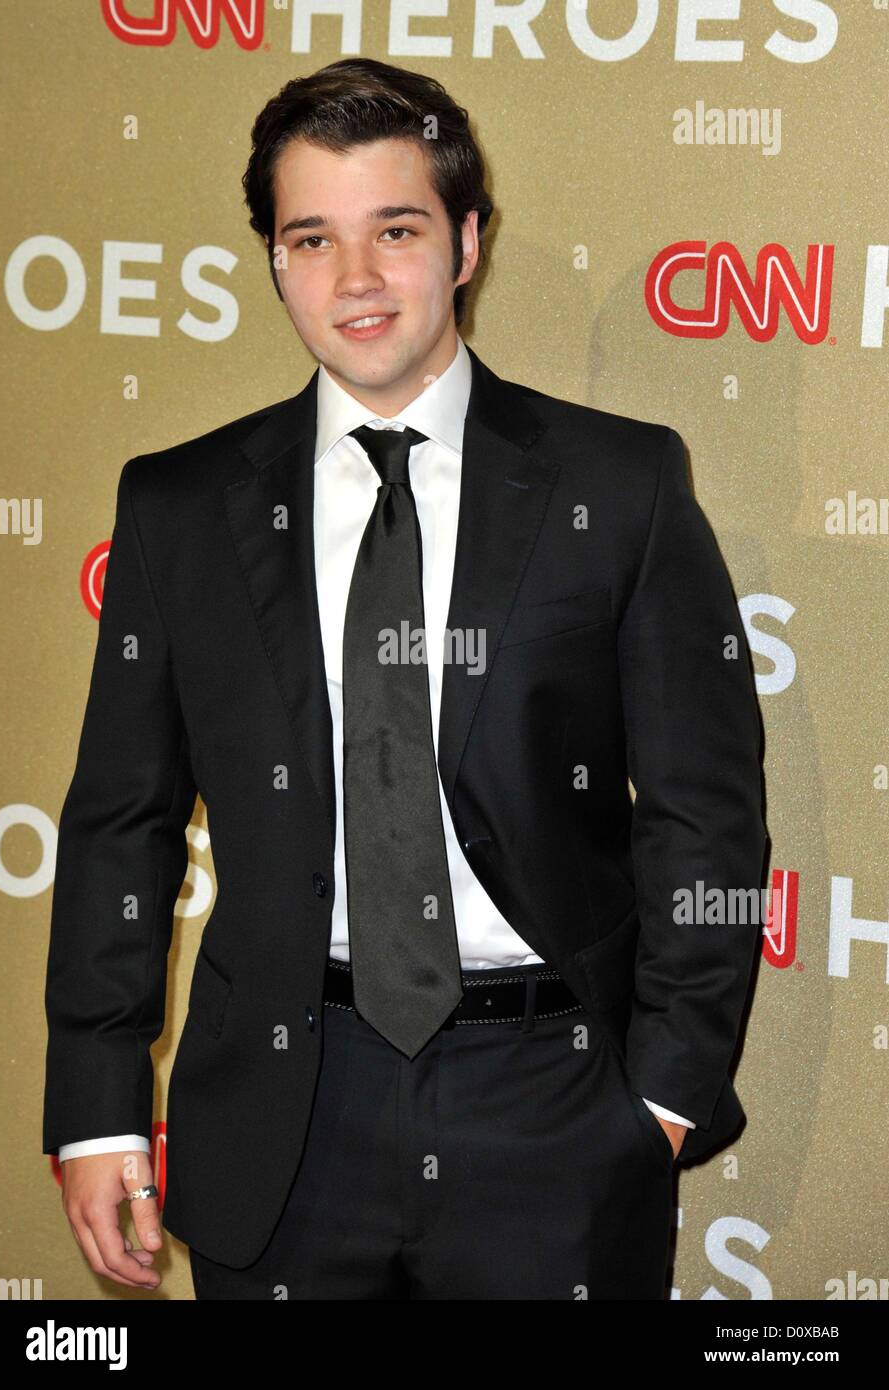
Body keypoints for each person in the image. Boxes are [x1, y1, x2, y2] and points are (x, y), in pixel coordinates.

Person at [43, 57, 767, 1300]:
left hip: (553, 1103)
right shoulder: (178, 506)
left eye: (397, 228)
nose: (357, 280)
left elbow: (708, 819)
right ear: (272, 258)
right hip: (285, 1107)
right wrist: (99, 1110)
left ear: (467, 241)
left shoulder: (619, 485)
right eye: (310, 237)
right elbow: (121, 824)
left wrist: (658, 1097)